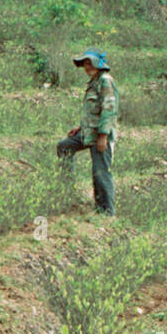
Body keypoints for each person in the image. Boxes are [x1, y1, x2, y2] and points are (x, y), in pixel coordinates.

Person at [56, 49, 118, 216]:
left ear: (98, 64)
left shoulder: (105, 81)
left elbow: (109, 110)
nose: (87, 67)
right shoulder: (94, 82)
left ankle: (107, 213)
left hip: (100, 135)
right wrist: (80, 128)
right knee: (64, 146)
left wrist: (103, 136)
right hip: (88, 133)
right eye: (84, 64)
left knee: (100, 173)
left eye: (89, 63)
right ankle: (67, 189)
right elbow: (93, 111)